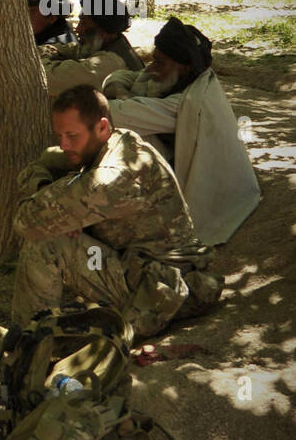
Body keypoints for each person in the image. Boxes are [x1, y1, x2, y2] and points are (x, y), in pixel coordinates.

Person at [12, 85, 222, 341]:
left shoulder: (113, 178)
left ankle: (31, 344)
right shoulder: (119, 141)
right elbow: (48, 159)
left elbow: (26, 222)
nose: (64, 145)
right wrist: (52, 196)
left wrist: (51, 204)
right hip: (144, 268)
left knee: (46, 244)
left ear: (101, 127)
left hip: (159, 289)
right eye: (60, 135)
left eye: (72, 136)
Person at [103, 17, 260, 245]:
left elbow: (118, 113)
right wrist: (122, 90)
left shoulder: (187, 103)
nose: (152, 68)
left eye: (160, 62)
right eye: (154, 60)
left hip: (211, 197)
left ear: (184, 67)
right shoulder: (170, 76)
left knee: (129, 137)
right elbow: (120, 76)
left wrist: (122, 97)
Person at [40, 0, 144, 98]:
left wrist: (41, 57)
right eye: (80, 21)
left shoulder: (109, 62)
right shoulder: (102, 43)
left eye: (84, 23)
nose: (78, 29)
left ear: (104, 32)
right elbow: (69, 49)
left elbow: (50, 79)